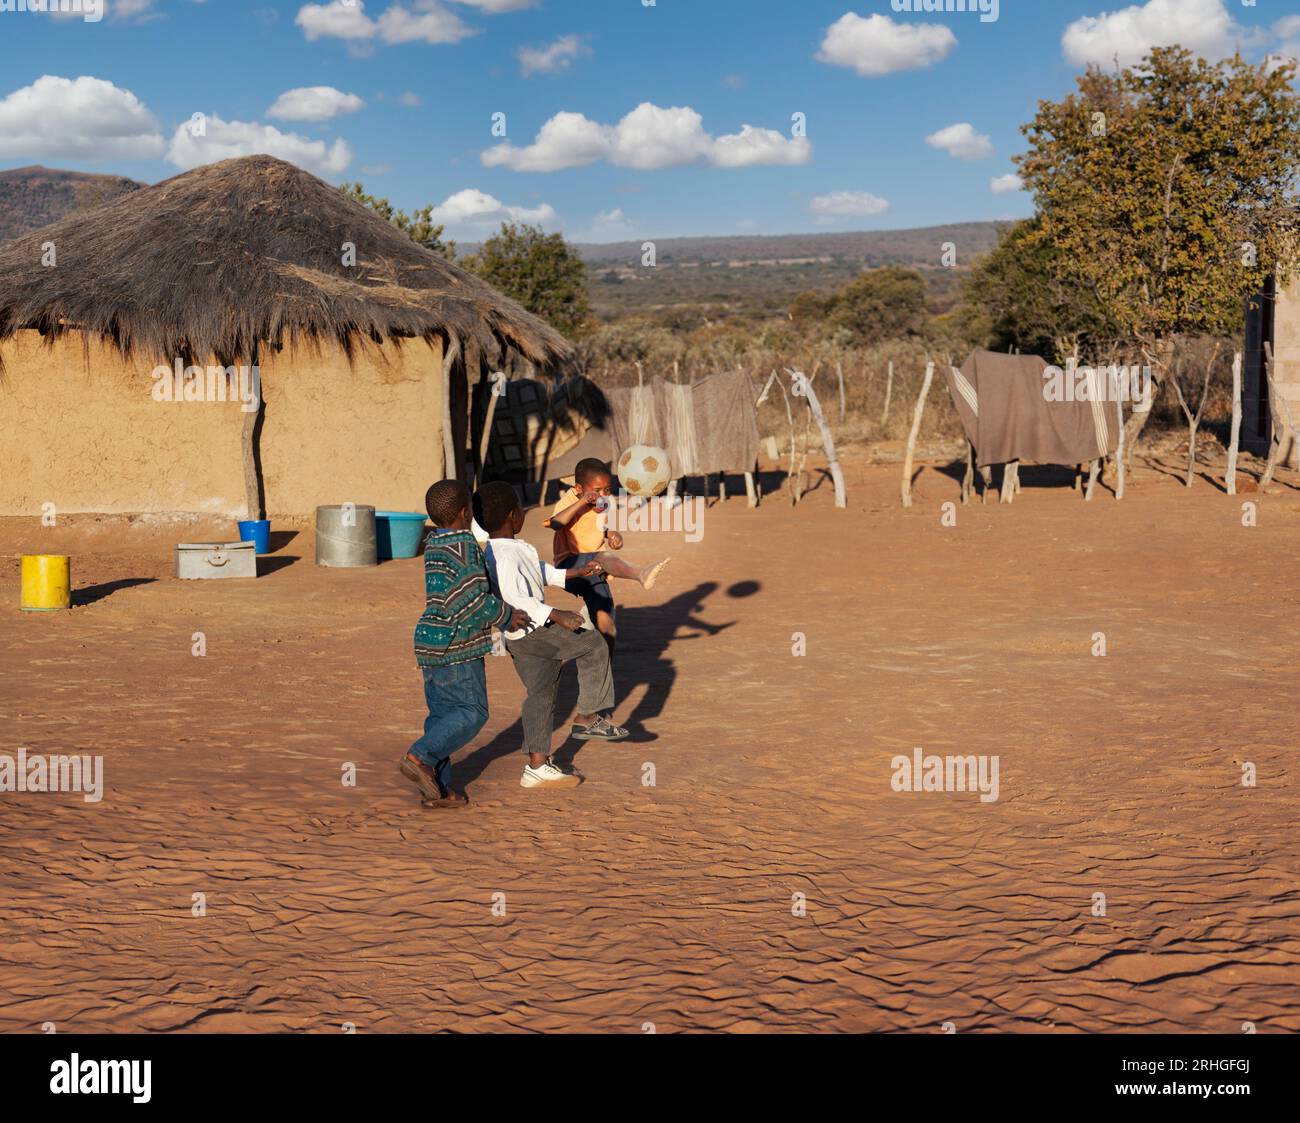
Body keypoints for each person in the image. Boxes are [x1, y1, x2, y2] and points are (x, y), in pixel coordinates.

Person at [474, 480, 630, 789]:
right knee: (593, 644)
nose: (523, 514)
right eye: (520, 510)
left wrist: (577, 572)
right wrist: (557, 615)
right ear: (511, 517)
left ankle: (536, 765)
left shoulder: (504, 549)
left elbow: (541, 572)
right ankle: (587, 718)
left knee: (541, 695)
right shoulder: (504, 556)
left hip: (518, 639)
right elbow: (516, 598)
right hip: (532, 629)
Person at [401, 479, 529, 809]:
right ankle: (419, 757)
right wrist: (505, 615)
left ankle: (439, 790)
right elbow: (468, 599)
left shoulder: (434, 544)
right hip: (456, 643)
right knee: (472, 711)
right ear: (465, 512)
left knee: (442, 716)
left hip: (430, 643)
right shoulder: (463, 544)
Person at [544, 457, 670, 657]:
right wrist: (582, 502)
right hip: (569, 565)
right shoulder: (568, 500)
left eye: (607, 490)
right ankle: (640, 573)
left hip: (594, 570)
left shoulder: (601, 504)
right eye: (597, 490)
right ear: (578, 488)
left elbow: (590, 527)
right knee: (603, 557)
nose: (603, 495)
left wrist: (610, 533)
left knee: (606, 624)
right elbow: (556, 524)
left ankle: (605, 667)